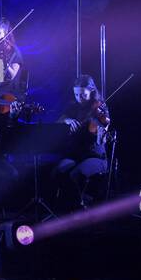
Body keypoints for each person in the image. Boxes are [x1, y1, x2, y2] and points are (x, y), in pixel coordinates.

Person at [53, 75, 112, 208]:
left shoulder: (100, 108)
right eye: (76, 94)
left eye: (83, 95)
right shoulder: (72, 107)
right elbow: (58, 122)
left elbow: (103, 130)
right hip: (76, 154)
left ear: (91, 91)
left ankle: (81, 205)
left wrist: (100, 125)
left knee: (77, 174)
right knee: (58, 171)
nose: (79, 98)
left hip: (95, 156)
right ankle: (67, 207)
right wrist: (67, 121)